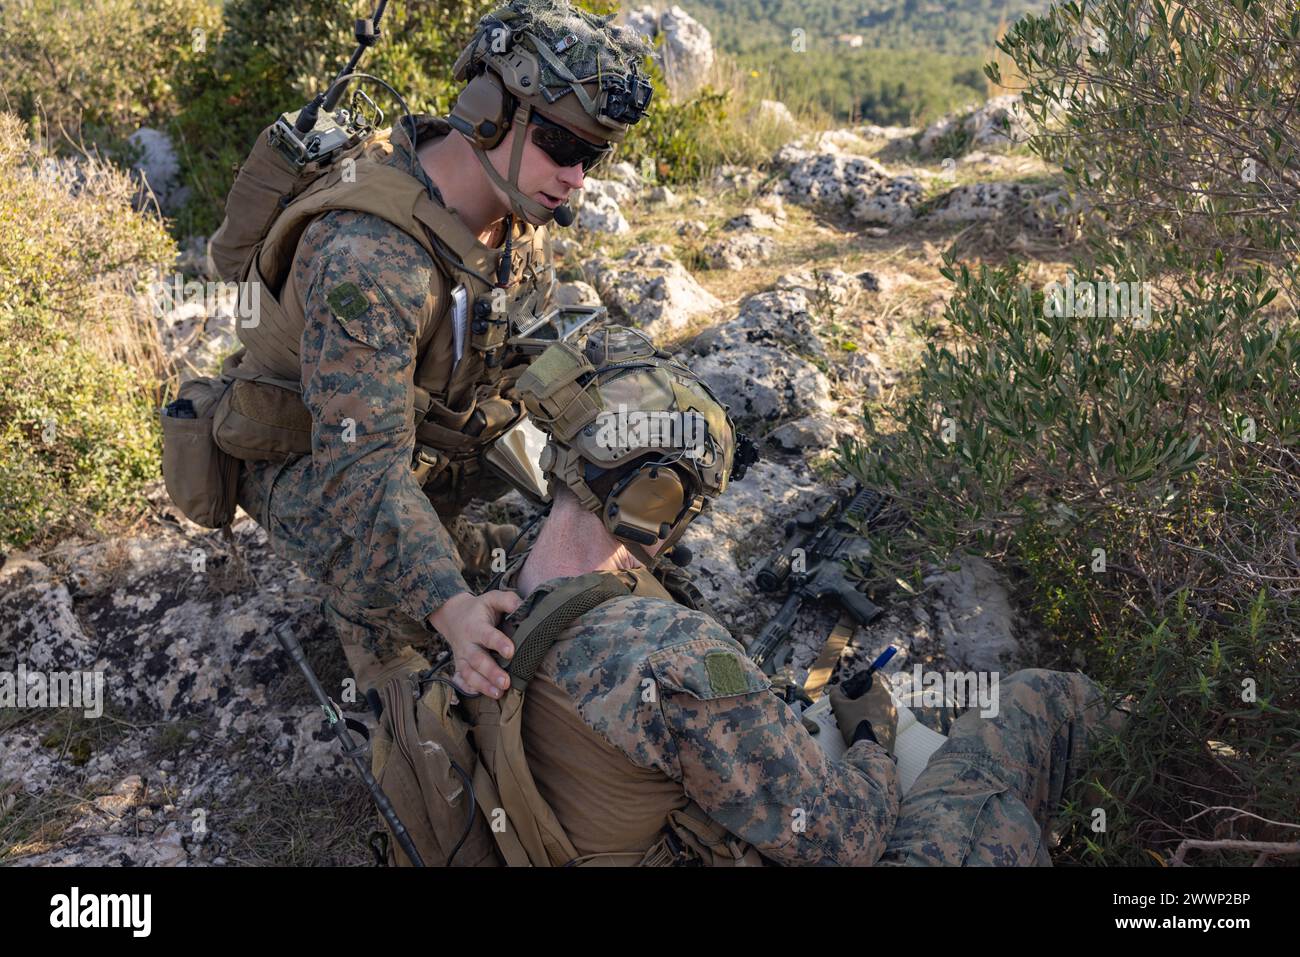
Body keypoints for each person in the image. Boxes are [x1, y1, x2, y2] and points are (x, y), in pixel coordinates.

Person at [487, 326, 1130, 866]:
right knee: (1035, 705)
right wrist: (873, 739)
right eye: (691, 503)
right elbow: (840, 840)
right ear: (655, 498)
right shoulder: (670, 651)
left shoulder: (497, 593)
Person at [214, 0, 654, 695]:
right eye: (563, 148)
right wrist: (449, 605)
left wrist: (636, 425)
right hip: (313, 457)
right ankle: (373, 624)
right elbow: (361, 465)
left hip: (427, 429)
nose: (578, 179)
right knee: (426, 609)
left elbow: (527, 346)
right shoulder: (370, 257)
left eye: (592, 156)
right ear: (487, 112)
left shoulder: (513, 209)